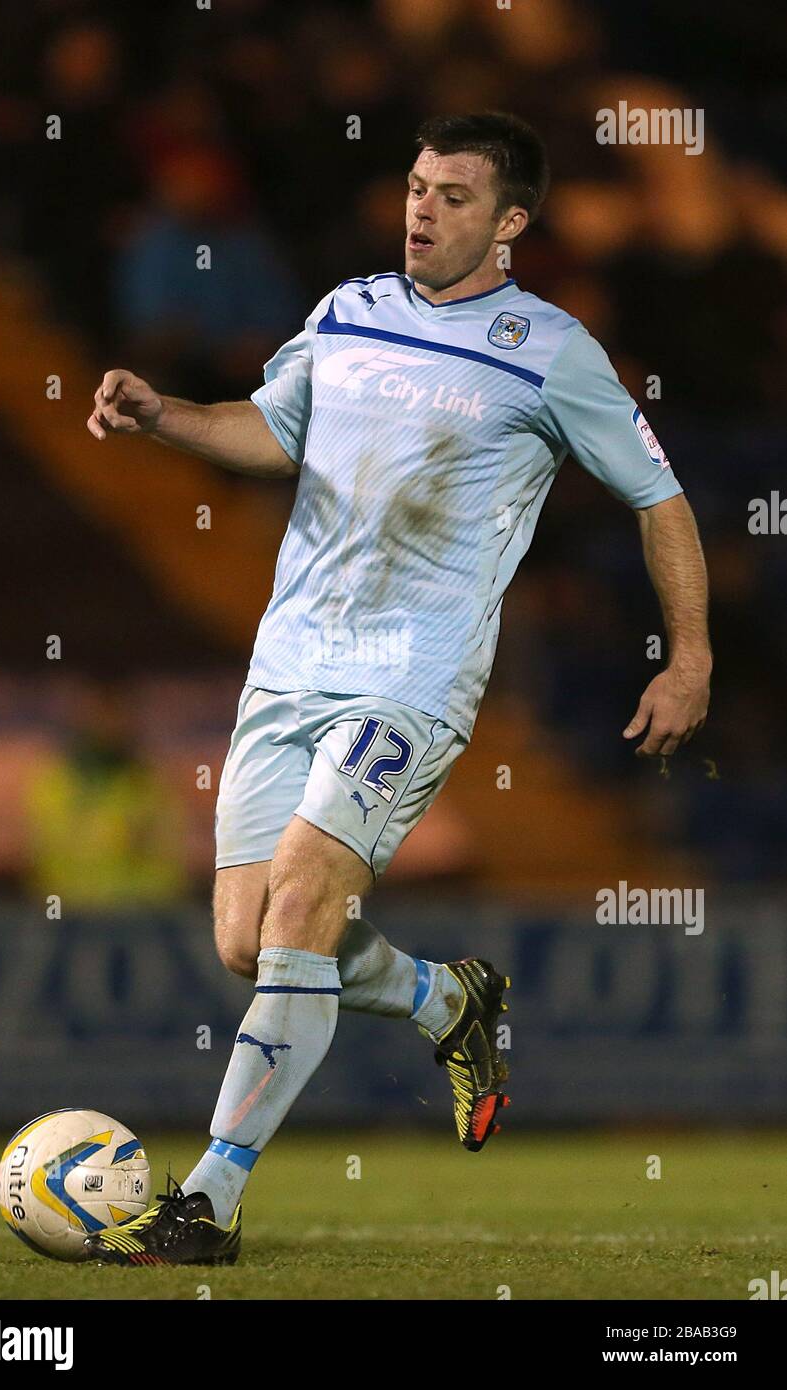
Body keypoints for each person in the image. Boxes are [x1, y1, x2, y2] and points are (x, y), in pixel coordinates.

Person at [84, 112, 711, 1266]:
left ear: (509, 223)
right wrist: (160, 413)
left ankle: (208, 1202)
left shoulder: (551, 348)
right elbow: (269, 434)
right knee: (246, 940)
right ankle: (444, 1000)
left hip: (410, 677)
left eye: (453, 196)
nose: (422, 209)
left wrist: (690, 657)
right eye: (417, 186)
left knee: (303, 900)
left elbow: (657, 498)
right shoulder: (347, 311)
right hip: (289, 666)